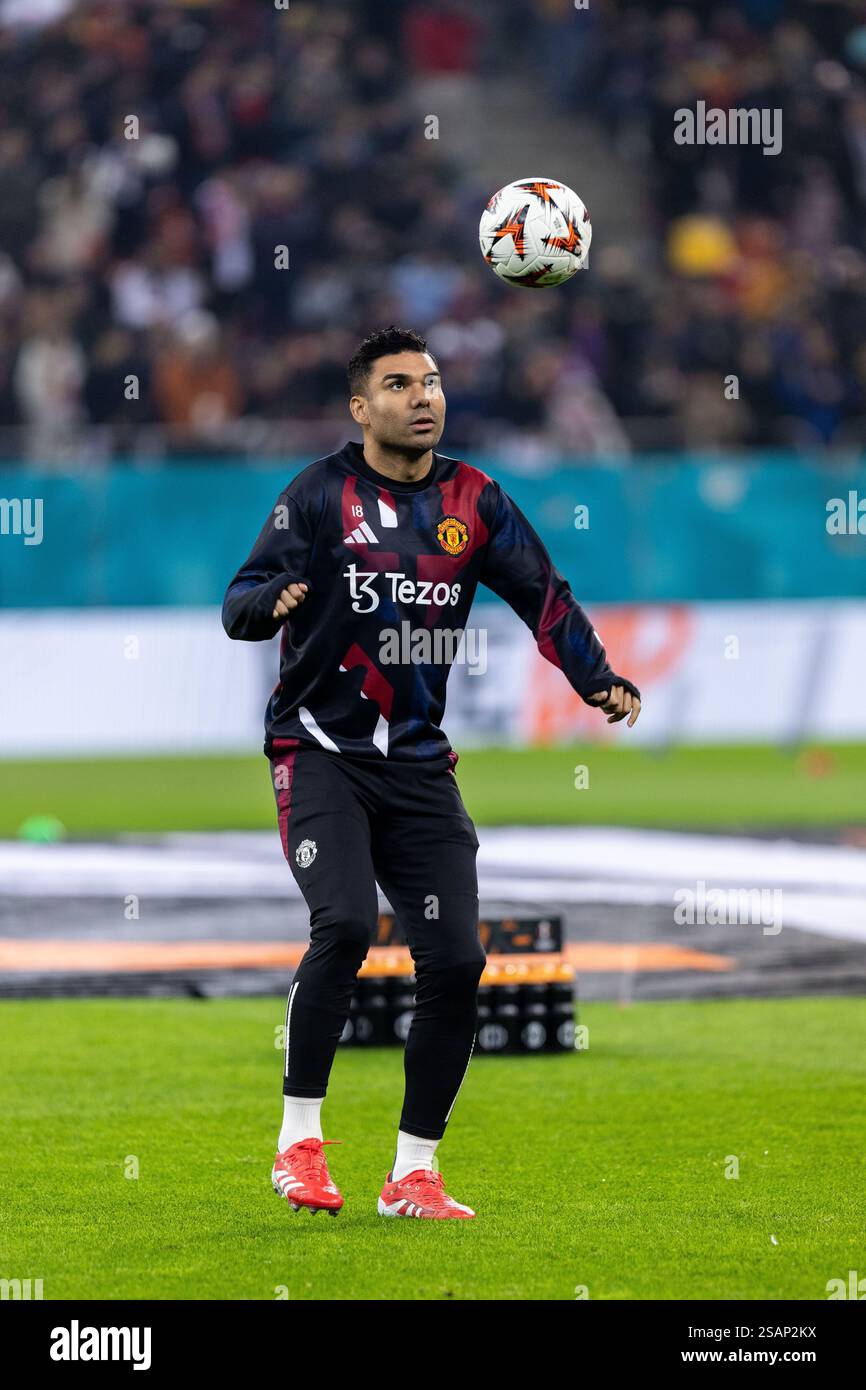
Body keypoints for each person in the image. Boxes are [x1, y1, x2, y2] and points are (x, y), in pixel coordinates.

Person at [222, 325, 641, 1220]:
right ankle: (299, 1146)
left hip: (416, 766)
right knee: (341, 925)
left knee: (456, 959)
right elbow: (239, 605)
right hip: (319, 754)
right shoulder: (318, 495)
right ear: (360, 406)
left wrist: (596, 674)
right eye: (402, 383)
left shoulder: (475, 499)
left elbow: (544, 597)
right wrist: (274, 600)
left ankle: (413, 1173)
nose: (424, 397)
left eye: (434, 382)